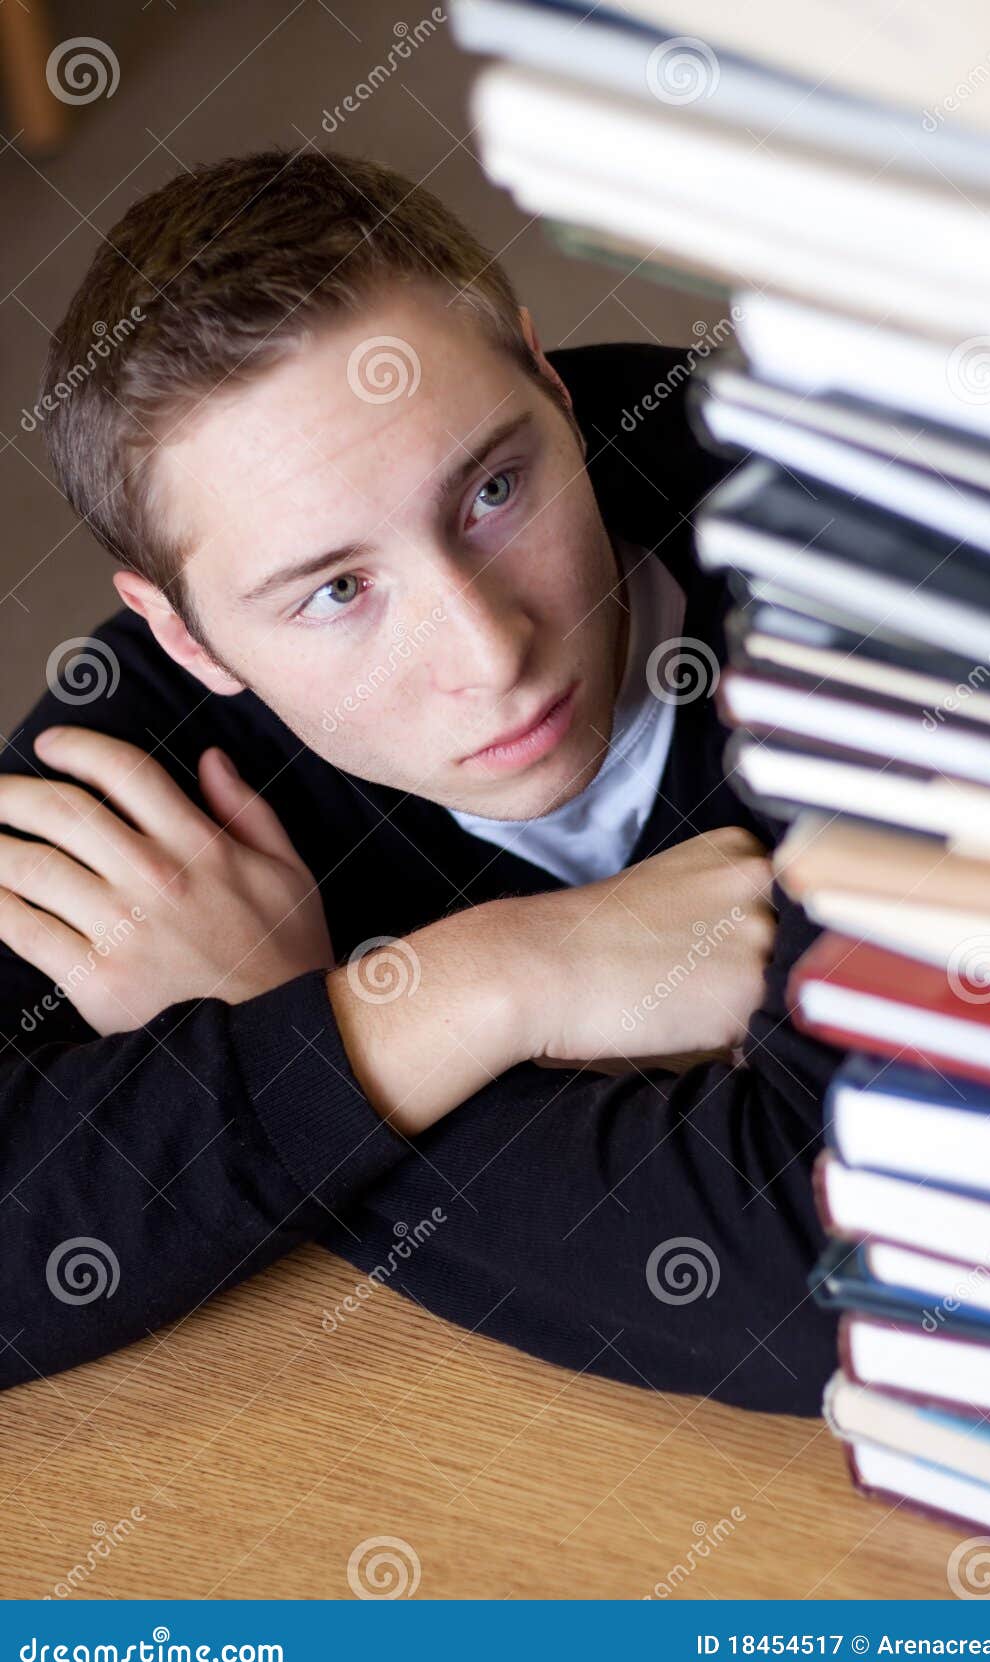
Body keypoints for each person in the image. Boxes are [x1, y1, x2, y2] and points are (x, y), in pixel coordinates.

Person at [0, 147, 842, 1410]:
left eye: (493, 491)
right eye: (337, 592)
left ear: (545, 379)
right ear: (185, 635)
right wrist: (455, 992)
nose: (487, 650)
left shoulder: (850, 567)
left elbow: (834, 1287)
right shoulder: (143, 746)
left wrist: (283, 1044)